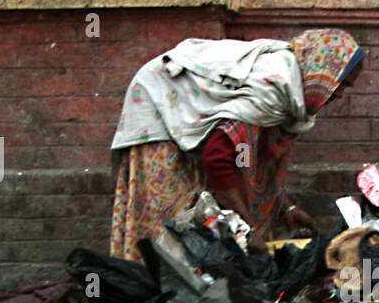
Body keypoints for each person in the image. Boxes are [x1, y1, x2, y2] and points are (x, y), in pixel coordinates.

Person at [109, 29, 364, 260]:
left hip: (191, 124)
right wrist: (248, 229)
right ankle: (152, 295)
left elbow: (255, 159)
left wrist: (287, 207)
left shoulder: (290, 93)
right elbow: (217, 159)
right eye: (339, 83)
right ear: (324, 70)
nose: (339, 93)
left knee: (197, 218)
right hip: (160, 106)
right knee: (168, 219)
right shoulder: (272, 85)